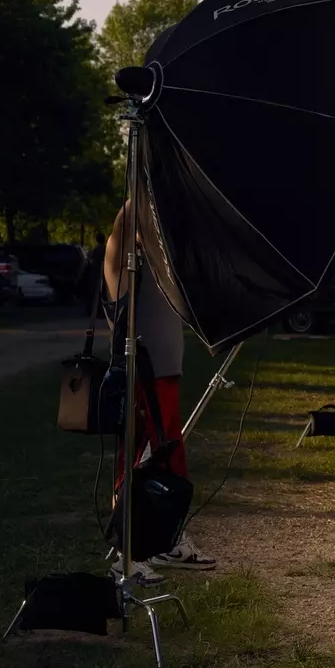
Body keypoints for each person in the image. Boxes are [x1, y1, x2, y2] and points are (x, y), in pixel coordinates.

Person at [104, 199, 217, 584]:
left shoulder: (161, 260)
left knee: (168, 466)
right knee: (137, 465)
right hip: (141, 378)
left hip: (166, 377)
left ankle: (165, 541)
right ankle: (126, 554)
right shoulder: (122, 259)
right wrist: (146, 176)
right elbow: (125, 225)